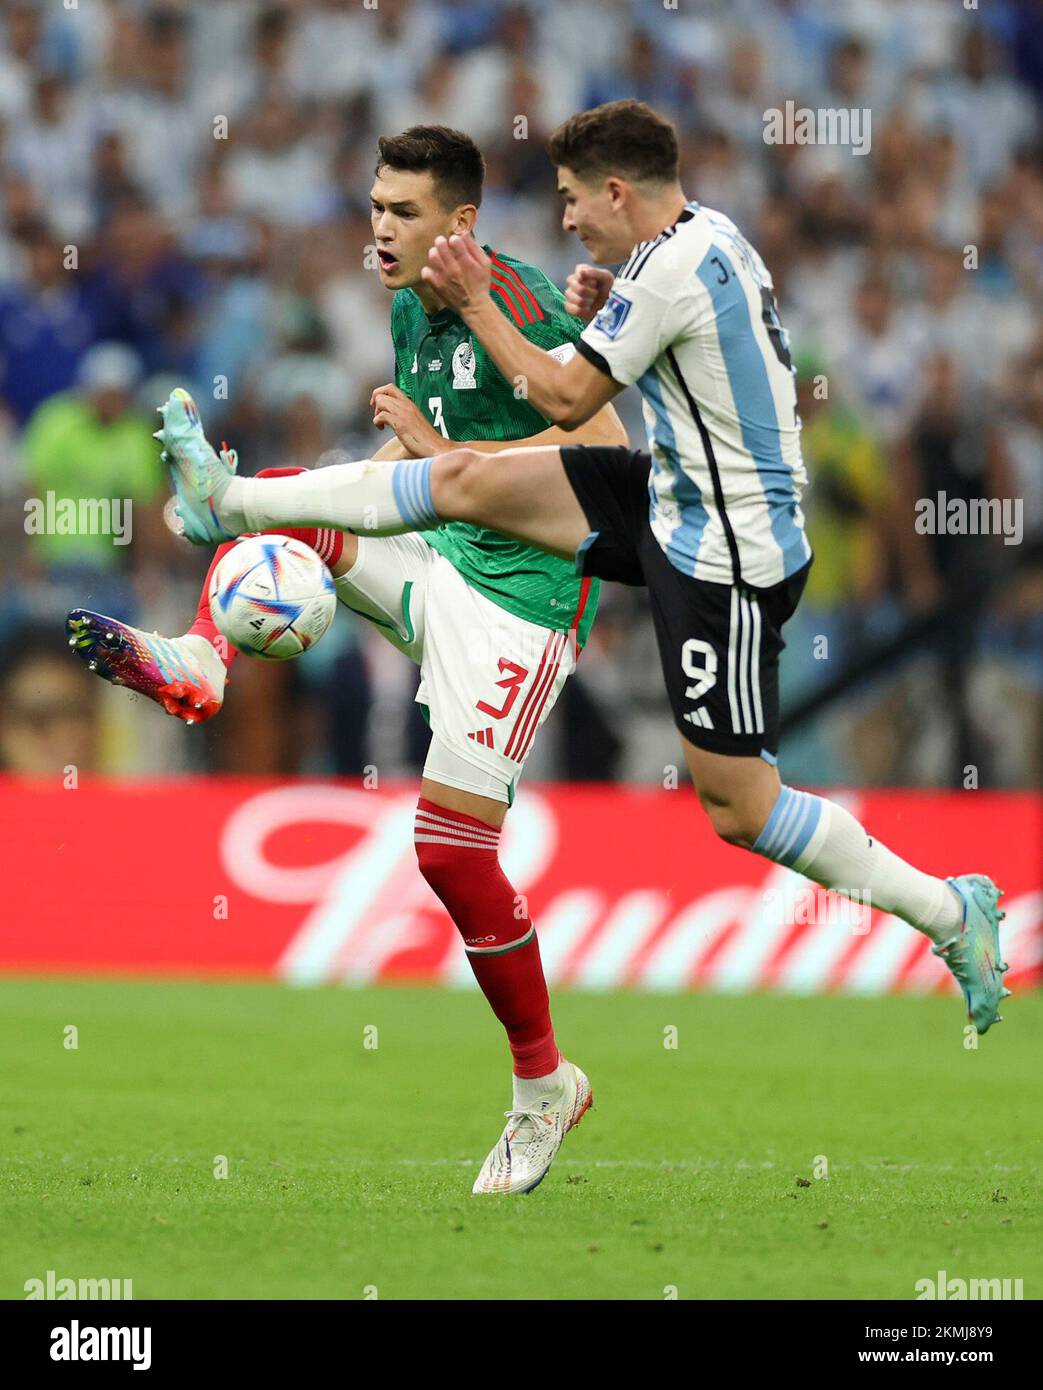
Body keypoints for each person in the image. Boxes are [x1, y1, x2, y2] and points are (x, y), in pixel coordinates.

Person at [157, 101, 1010, 1045]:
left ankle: (945, 910)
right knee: (463, 478)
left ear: (614, 190)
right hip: (669, 495)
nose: (565, 219)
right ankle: (228, 502)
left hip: (724, 552)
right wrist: (612, 316)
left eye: (571, 199)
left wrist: (482, 298)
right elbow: (685, 359)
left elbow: (566, 396)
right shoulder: (697, 242)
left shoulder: (668, 266)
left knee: (739, 806)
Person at [68, 126, 628, 1196]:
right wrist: (404, 460)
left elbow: (604, 461)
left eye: (405, 211)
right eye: (375, 205)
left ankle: (542, 1086)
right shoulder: (411, 303)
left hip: (524, 609)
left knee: (451, 854)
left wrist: (432, 454)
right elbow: (414, 466)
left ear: (460, 224)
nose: (381, 227)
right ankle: (202, 655)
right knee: (304, 509)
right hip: (442, 557)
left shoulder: (510, 301)